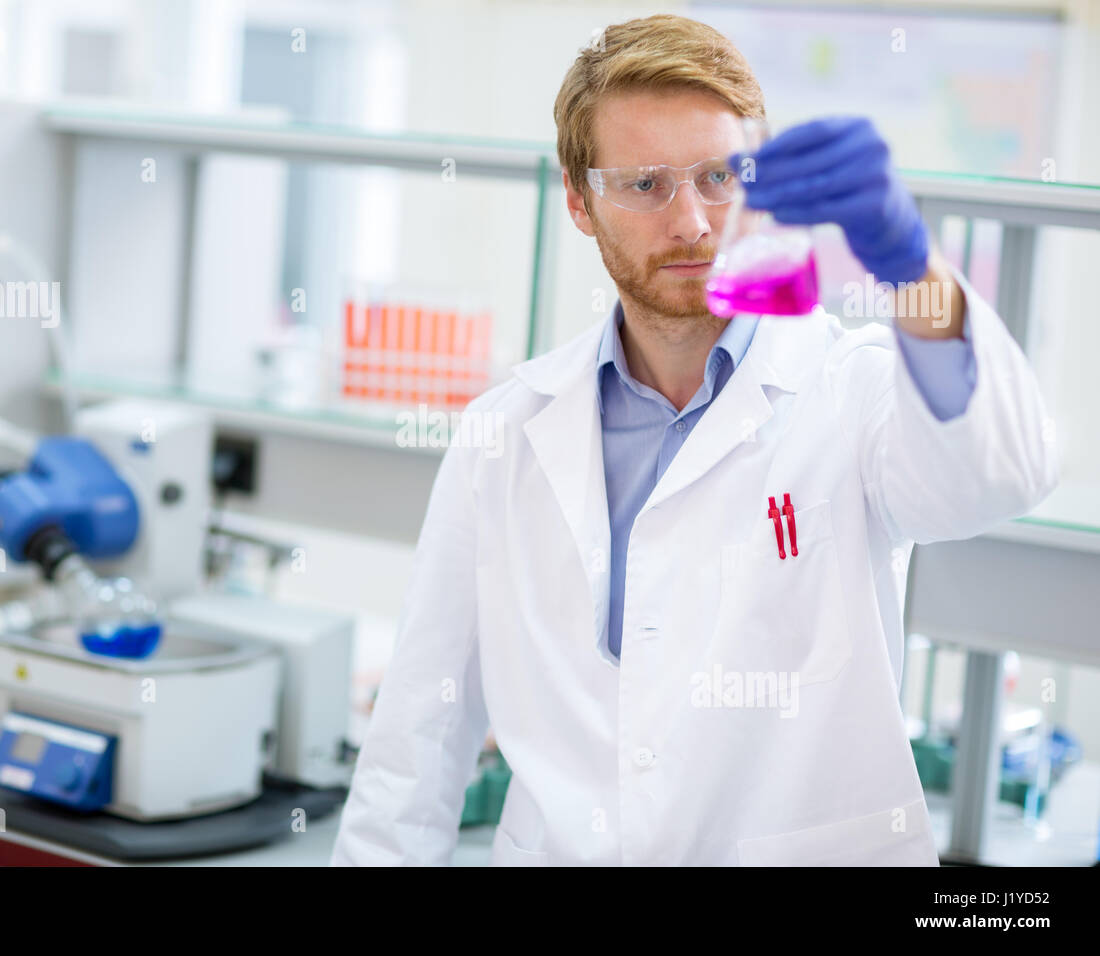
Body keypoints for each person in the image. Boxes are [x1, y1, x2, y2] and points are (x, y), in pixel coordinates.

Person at [331, 13, 1057, 866]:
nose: (693, 223)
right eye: (645, 185)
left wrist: (911, 268)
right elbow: (418, 740)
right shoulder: (507, 431)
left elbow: (1001, 473)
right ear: (578, 197)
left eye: (720, 176)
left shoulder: (847, 388)